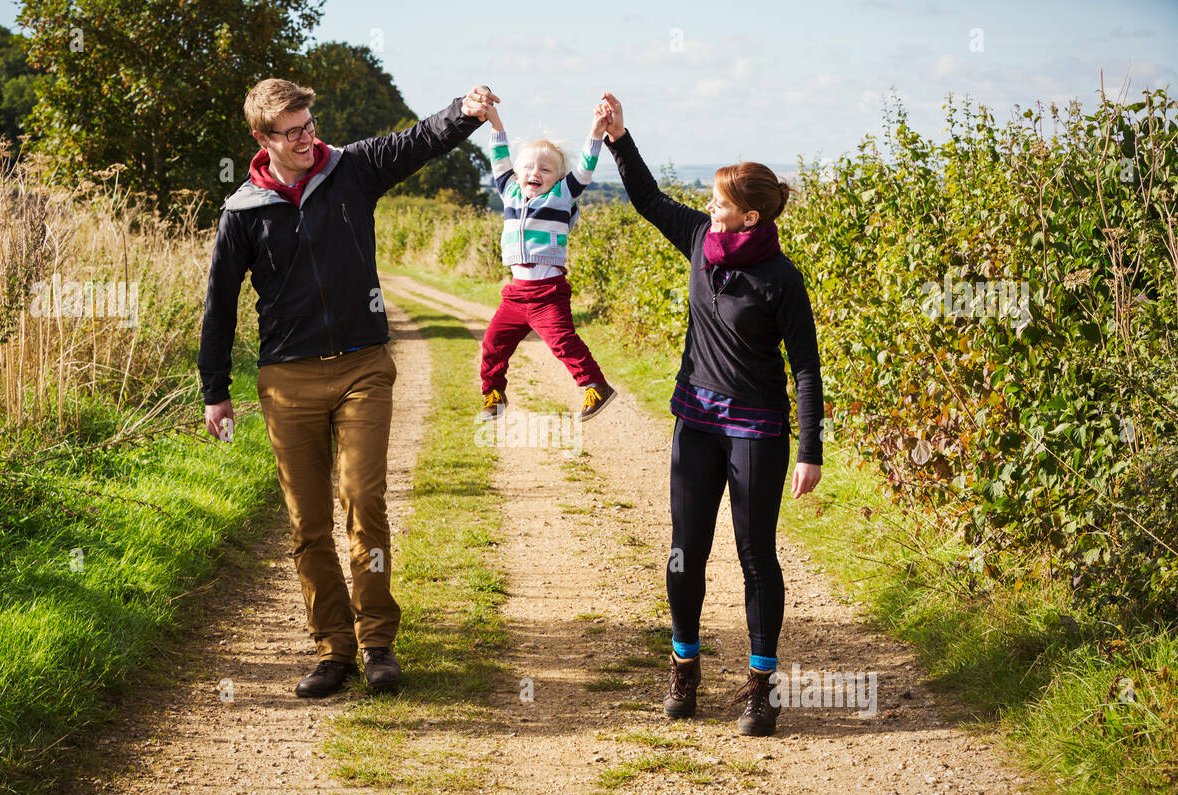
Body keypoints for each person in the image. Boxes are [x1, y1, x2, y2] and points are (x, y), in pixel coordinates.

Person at [198, 78, 498, 699]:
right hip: (287, 378)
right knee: (308, 522)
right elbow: (219, 306)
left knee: (363, 498)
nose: (307, 138)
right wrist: (215, 389)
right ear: (262, 139)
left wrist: (463, 113)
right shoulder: (243, 211)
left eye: (310, 125)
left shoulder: (350, 170)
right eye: (292, 132)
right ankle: (332, 647)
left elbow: (413, 143)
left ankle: (377, 643)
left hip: (363, 365)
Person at [596, 93, 824, 737]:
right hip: (695, 422)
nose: (708, 206)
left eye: (720, 200)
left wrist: (811, 449)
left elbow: (805, 366)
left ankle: (759, 686)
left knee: (757, 557)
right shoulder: (699, 239)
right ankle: (685, 668)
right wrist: (619, 136)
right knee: (685, 551)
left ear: (748, 216)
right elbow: (646, 199)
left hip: (757, 430)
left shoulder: (782, 278)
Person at [477, 98, 617, 423]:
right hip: (515, 295)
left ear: (557, 177)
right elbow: (498, 159)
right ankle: (493, 394)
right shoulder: (509, 193)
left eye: (545, 169)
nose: (534, 173)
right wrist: (496, 123)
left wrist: (596, 132)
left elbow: (584, 167)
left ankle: (595, 385)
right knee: (492, 345)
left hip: (547, 294)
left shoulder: (561, 196)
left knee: (563, 342)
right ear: (517, 173)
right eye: (527, 167)